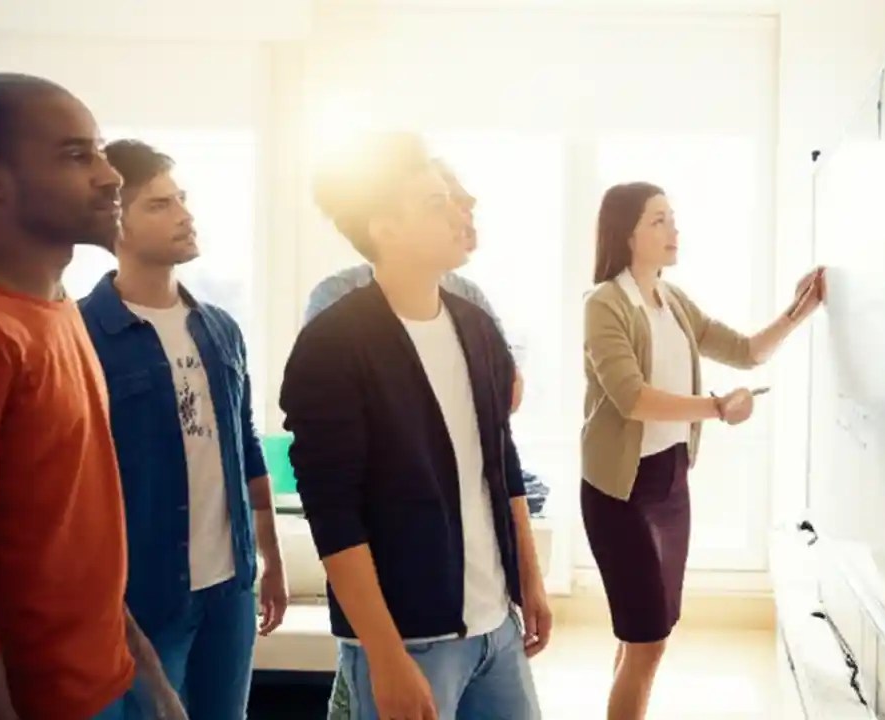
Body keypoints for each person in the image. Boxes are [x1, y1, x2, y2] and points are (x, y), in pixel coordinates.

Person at [281, 131, 549, 720]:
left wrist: (528, 578)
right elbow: (333, 513)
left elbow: (502, 461)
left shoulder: (476, 326)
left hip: (496, 629)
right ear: (386, 228)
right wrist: (384, 654)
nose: (458, 214)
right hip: (408, 641)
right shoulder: (332, 344)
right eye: (435, 203)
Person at [0, 73, 182, 720]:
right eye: (76, 155)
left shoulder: (59, 309)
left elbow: (70, 529)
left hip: (111, 678)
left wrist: (146, 670)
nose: (111, 176)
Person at [582, 181, 825, 720]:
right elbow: (631, 398)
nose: (674, 229)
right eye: (658, 220)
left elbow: (746, 351)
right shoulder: (604, 304)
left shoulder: (673, 300)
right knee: (647, 643)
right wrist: (717, 407)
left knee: (640, 637)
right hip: (621, 492)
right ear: (627, 234)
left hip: (671, 483)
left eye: (672, 217)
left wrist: (799, 310)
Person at [78, 139, 289, 719]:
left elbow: (246, 448)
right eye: (159, 204)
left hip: (230, 590)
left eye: (182, 199)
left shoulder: (220, 328)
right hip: (142, 595)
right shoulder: (83, 333)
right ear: (117, 223)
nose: (184, 214)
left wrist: (270, 558)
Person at [304, 157, 524, 413]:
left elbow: (508, 392)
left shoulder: (469, 297)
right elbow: (328, 400)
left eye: (464, 208)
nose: (464, 220)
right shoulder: (336, 295)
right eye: (441, 205)